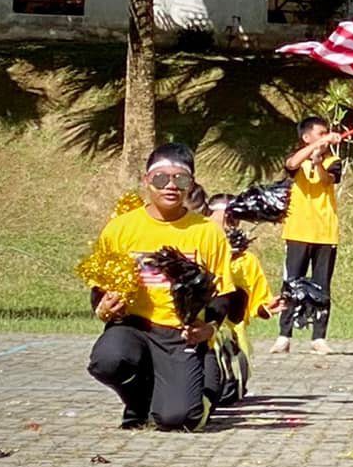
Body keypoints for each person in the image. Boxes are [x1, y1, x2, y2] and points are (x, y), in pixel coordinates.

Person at [86, 143, 239, 431]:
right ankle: (140, 402)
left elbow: (223, 292)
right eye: (161, 178)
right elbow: (99, 286)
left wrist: (210, 328)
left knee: (177, 420)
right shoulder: (120, 228)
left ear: (191, 184)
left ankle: (209, 371)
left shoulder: (206, 231)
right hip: (134, 326)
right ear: (147, 181)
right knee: (107, 360)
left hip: (180, 333)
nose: (170, 186)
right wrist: (102, 307)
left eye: (180, 179)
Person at [275, 116, 343, 355]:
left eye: (327, 133)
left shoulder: (333, 161)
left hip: (325, 233)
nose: (325, 137)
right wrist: (313, 151)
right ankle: (284, 335)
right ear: (306, 137)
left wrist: (318, 162)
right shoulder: (298, 160)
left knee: (322, 285)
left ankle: (319, 337)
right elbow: (291, 165)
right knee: (292, 283)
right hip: (298, 231)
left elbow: (327, 181)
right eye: (320, 133)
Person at [202, 193, 273, 405]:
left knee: (228, 395)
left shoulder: (246, 260)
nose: (229, 225)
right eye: (225, 218)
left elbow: (260, 301)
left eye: (234, 219)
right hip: (199, 332)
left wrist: (266, 308)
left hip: (231, 338)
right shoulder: (197, 248)